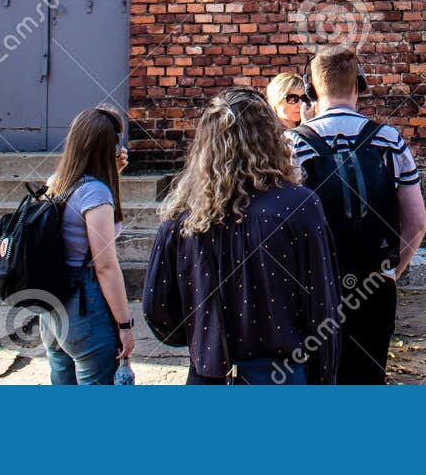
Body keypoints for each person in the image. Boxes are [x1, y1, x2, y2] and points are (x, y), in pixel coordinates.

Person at [144, 90, 341, 384]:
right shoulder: (298, 206)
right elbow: (323, 311)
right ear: (270, 138)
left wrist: (205, 335)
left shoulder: (182, 215)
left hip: (208, 375)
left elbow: (159, 311)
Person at [291, 45, 426, 384]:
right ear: (359, 86)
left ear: (311, 90)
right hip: (373, 284)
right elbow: (417, 222)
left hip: (313, 288)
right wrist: (393, 271)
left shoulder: (292, 144)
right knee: (369, 375)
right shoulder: (389, 140)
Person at [40, 107, 135, 385]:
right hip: (85, 305)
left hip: (54, 308)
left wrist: (113, 175)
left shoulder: (56, 183)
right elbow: (105, 266)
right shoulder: (95, 193)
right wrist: (125, 325)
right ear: (112, 145)